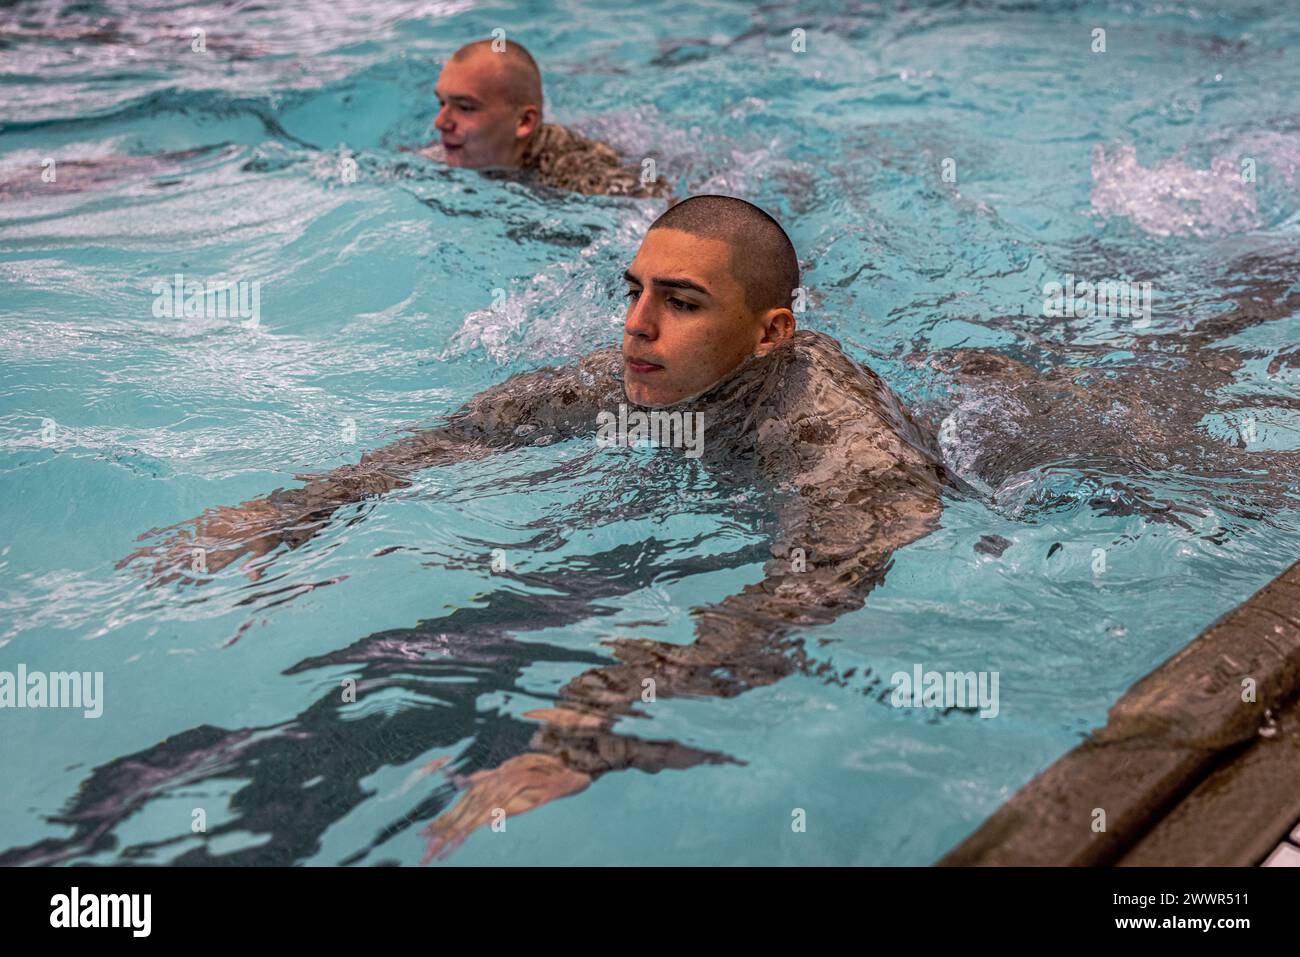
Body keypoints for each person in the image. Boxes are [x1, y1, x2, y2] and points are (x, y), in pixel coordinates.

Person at [122, 194, 949, 856]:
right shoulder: (643, 368)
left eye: (682, 302)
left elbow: (809, 591)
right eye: (635, 291)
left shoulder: (839, 440)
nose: (637, 323)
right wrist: (288, 512)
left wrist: (595, 719)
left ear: (770, 333)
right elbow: (470, 431)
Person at [414, 39, 670, 198]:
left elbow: (664, 204)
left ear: (524, 122)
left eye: (465, 108)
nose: (440, 122)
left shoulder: (581, 176)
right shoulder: (435, 158)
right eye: (441, 103)